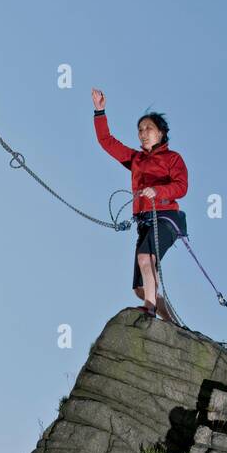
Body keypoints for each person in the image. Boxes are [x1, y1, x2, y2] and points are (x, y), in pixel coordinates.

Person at [91, 88, 188, 320]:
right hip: (144, 222)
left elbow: (181, 187)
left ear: (162, 133)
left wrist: (157, 190)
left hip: (166, 218)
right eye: (140, 130)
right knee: (140, 288)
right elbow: (107, 141)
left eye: (149, 129)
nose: (143, 134)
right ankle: (174, 326)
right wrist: (99, 111)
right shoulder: (136, 159)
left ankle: (150, 309)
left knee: (147, 259)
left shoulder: (172, 158)